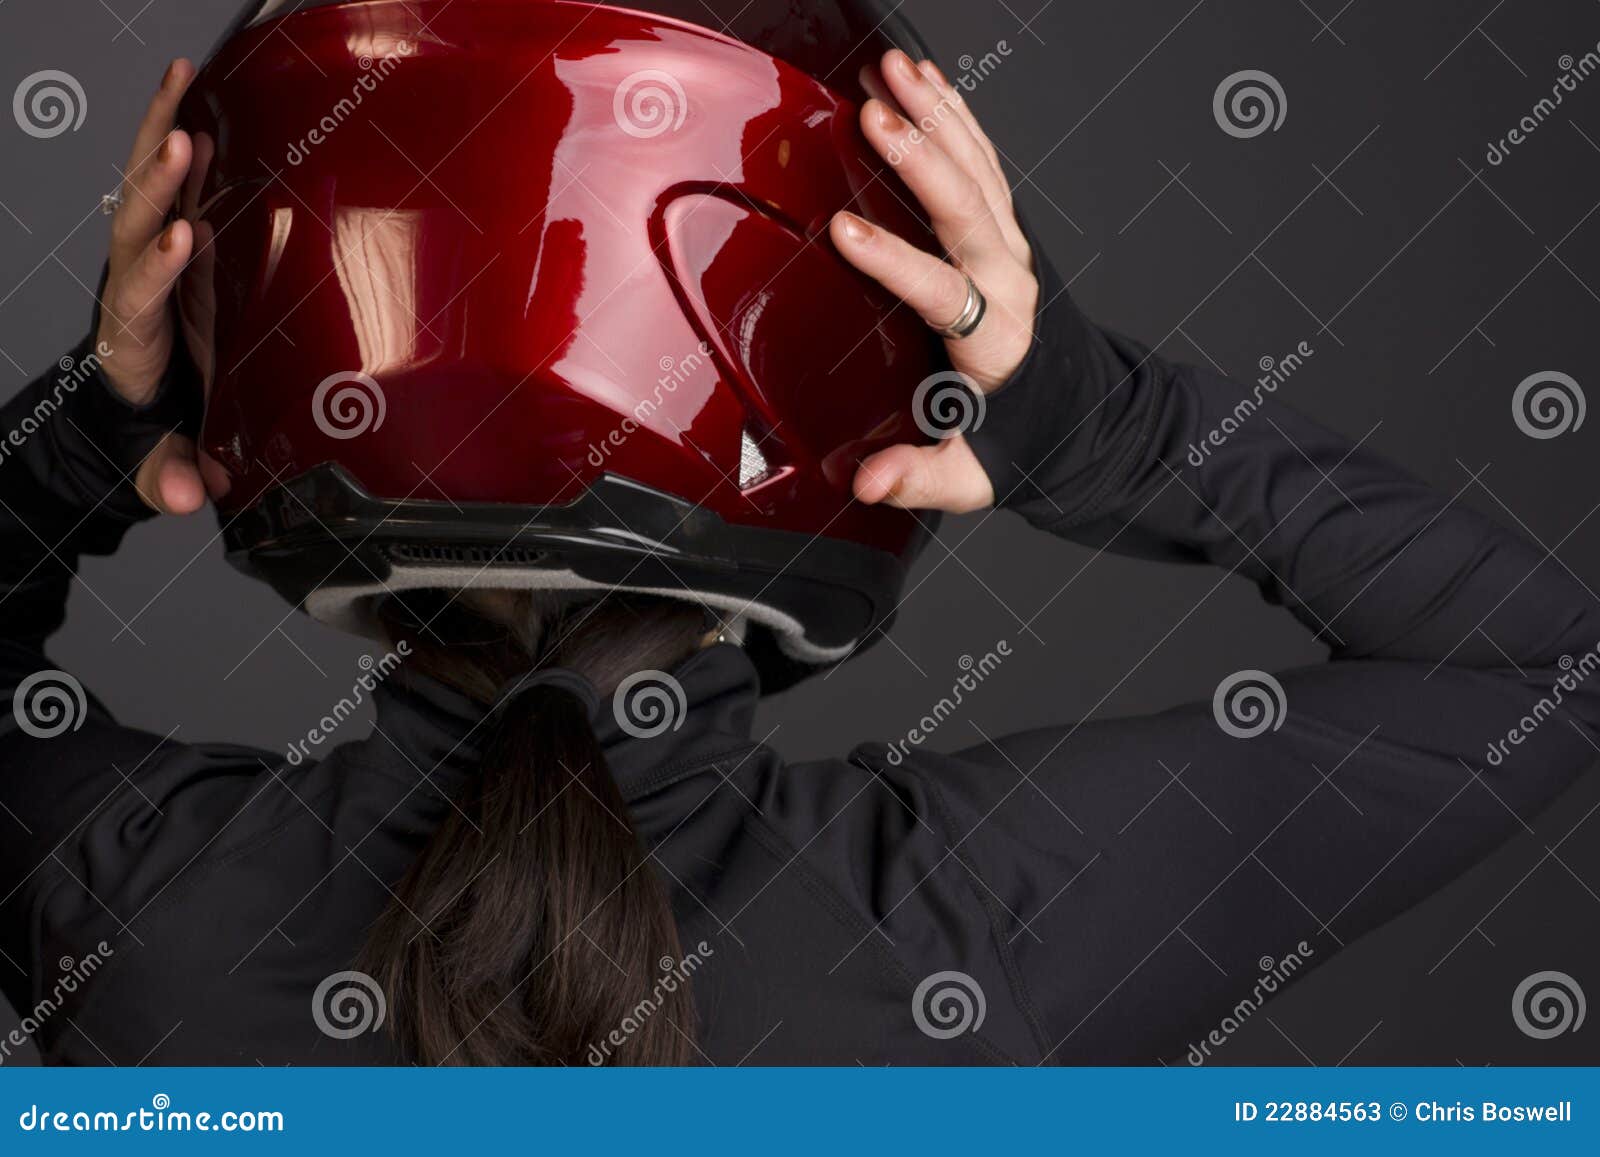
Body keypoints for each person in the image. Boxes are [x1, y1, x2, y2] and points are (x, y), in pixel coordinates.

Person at [1, 35, 1595, 1068]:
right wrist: (1087, 420)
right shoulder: (963, 928)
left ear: (257, 354)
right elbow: (1538, 666)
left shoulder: (143, 914)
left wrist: (89, 431)